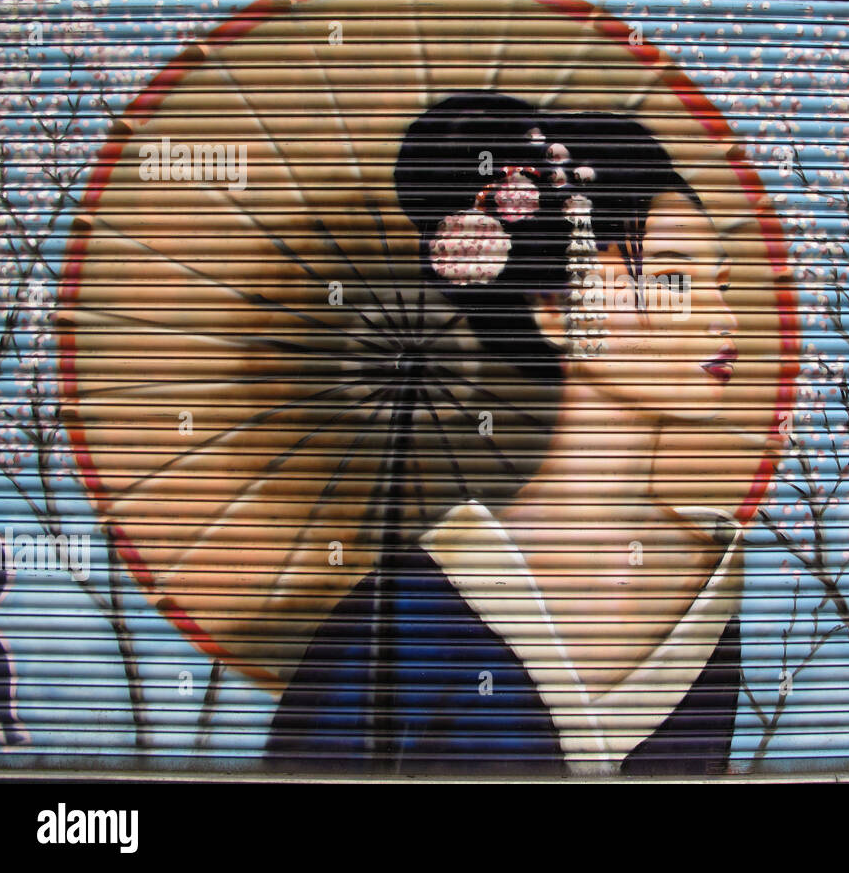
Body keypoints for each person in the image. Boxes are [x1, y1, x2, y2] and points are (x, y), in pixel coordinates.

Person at [267, 93, 743, 776]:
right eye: (673, 278)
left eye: (721, 283)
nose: (725, 321)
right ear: (553, 310)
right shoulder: (407, 615)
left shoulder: (713, 568)